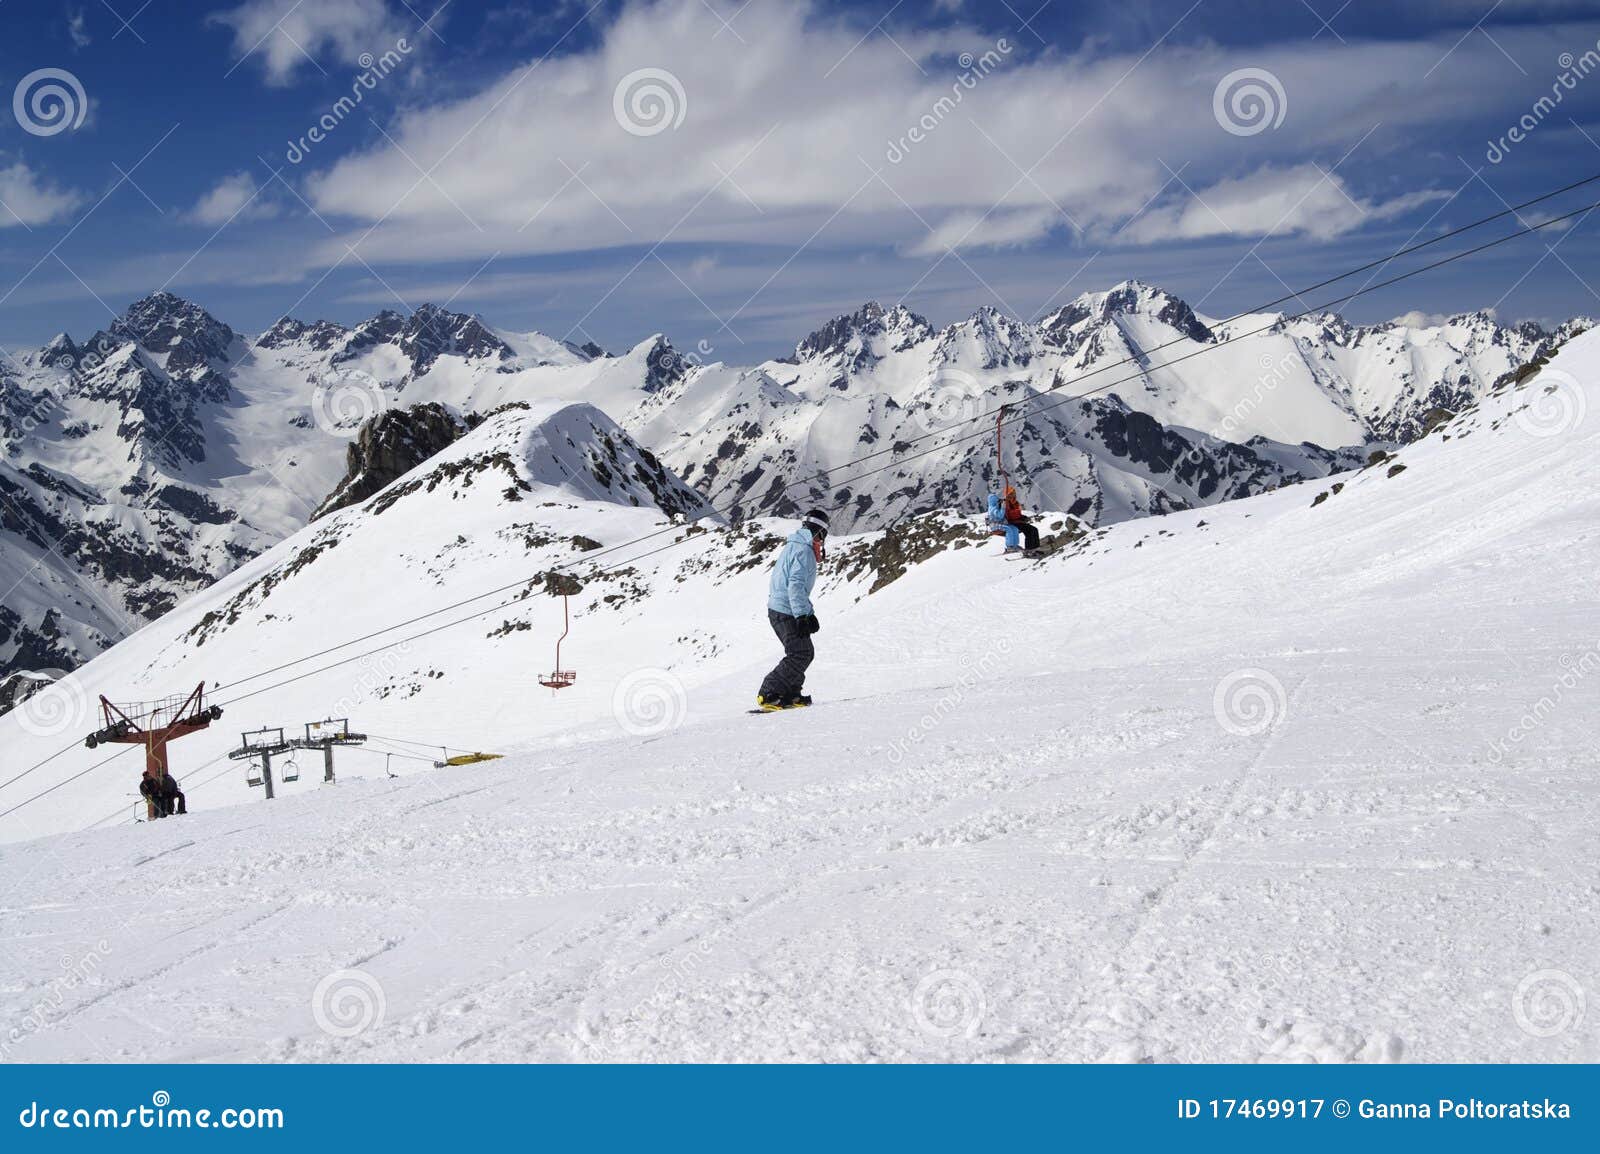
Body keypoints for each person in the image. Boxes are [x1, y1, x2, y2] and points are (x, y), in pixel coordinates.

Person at [756, 508, 828, 710]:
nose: (822, 541)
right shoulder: (804, 551)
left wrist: (809, 614)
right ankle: (768, 693)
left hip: (782, 608)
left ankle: (790, 692)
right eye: (823, 535)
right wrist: (802, 616)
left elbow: (794, 586)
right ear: (820, 532)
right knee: (799, 653)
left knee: (805, 652)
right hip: (785, 611)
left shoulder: (795, 545)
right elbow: (795, 586)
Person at [990, 487, 1041, 555]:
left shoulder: (1015, 503)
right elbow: (1004, 513)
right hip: (1012, 522)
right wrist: (1003, 503)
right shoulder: (1005, 503)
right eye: (1010, 494)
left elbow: (1017, 513)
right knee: (1029, 531)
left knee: (1034, 529)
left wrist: (1022, 517)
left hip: (1018, 521)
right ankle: (1029, 550)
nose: (1012, 495)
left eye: (1013, 493)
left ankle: (1035, 548)